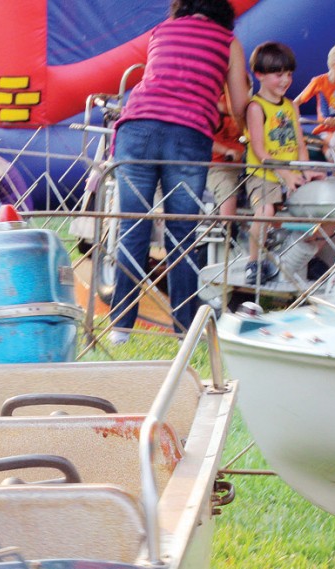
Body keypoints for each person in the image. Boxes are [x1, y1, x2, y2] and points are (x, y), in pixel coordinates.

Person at [104, 0, 247, 345]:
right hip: (187, 134)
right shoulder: (228, 42)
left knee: (132, 228)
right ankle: (185, 331)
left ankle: (120, 328)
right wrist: (244, 128)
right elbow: (239, 103)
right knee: (181, 234)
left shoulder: (162, 31)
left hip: (137, 128)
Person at [245, 41, 318, 285]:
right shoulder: (256, 107)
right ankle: (253, 262)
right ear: (260, 75)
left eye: (289, 74)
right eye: (279, 75)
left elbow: (300, 145)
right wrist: (284, 173)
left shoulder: (291, 106)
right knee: (265, 211)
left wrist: (306, 171)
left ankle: (303, 256)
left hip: (291, 174)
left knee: (324, 207)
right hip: (263, 176)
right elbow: (259, 150)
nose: (286, 80)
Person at [206, 77, 249, 220]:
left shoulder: (249, 107)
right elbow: (204, 139)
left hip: (247, 165)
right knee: (227, 187)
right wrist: (226, 151)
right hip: (220, 166)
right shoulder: (214, 108)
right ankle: (228, 227)